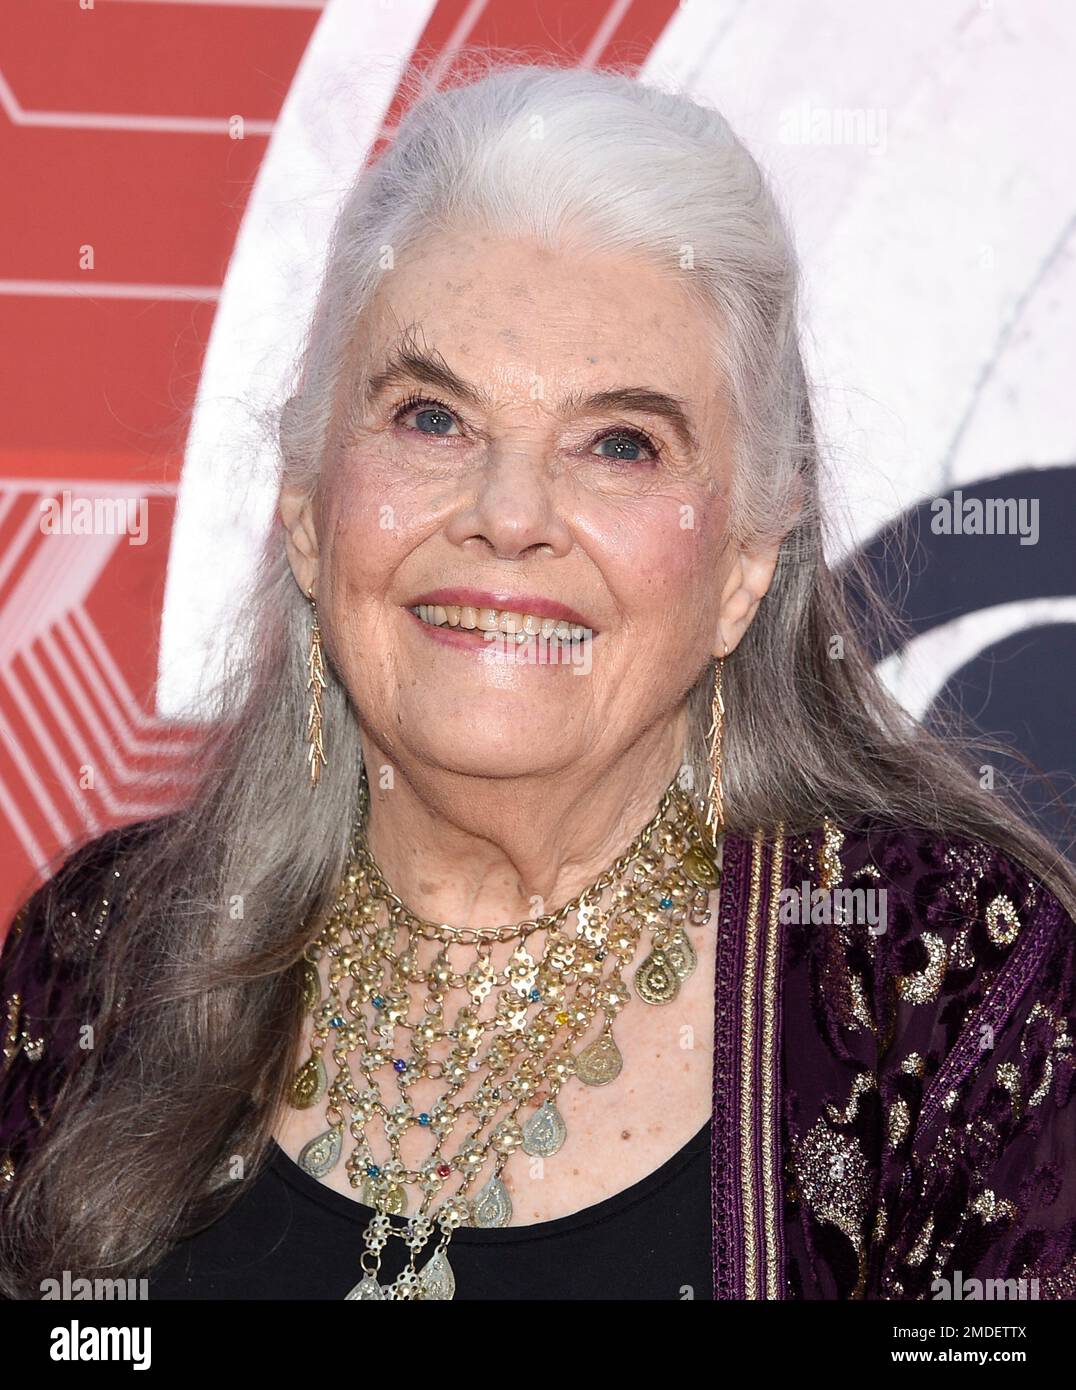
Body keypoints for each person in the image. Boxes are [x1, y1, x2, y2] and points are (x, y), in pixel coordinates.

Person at [1, 60, 1073, 1302]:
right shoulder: (99, 960)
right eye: (429, 418)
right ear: (304, 505)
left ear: (742, 564)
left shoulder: (938, 988)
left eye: (619, 443)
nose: (509, 516)